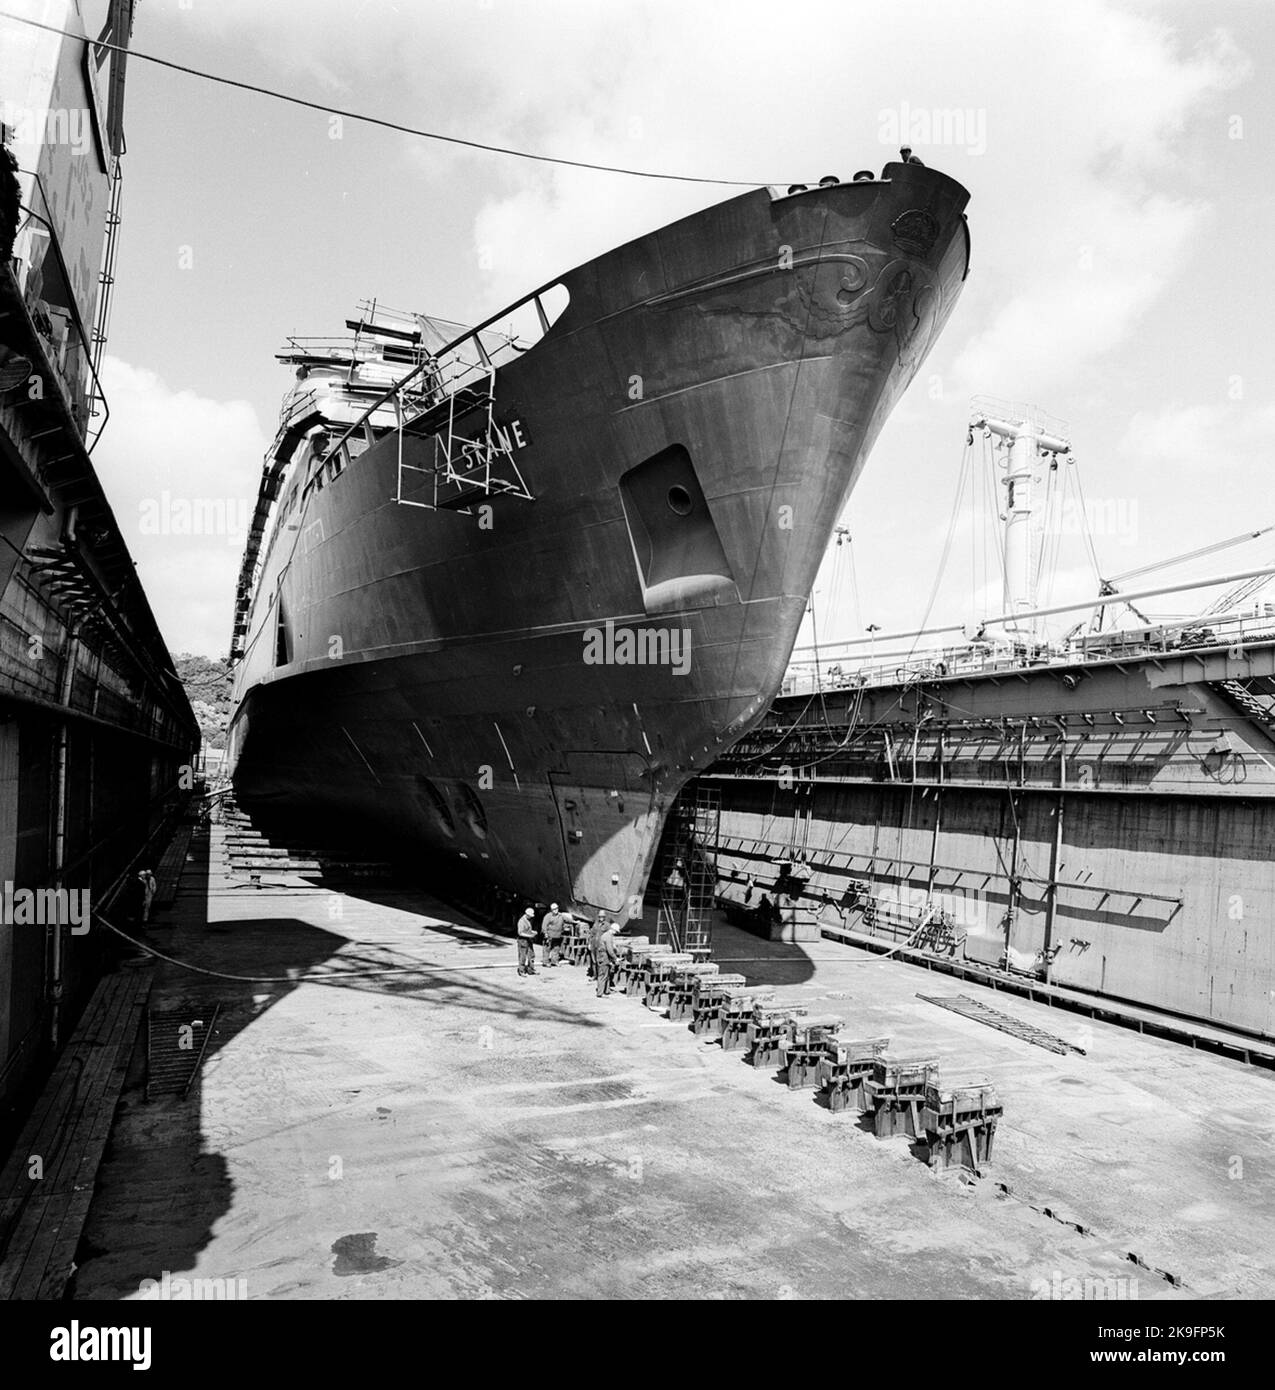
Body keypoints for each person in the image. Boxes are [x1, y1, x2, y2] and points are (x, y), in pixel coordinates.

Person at [593, 918, 621, 996]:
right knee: (602, 975)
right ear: (613, 930)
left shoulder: (606, 935)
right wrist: (616, 959)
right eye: (615, 932)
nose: (615, 933)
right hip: (604, 958)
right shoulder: (608, 936)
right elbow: (610, 950)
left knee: (606, 975)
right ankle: (600, 993)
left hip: (603, 957)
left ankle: (606, 990)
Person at [541, 901, 566, 967]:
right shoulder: (548, 916)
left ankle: (554, 961)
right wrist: (545, 934)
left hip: (557, 936)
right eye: (554, 909)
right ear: (551, 910)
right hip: (549, 936)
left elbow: (563, 923)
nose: (556, 910)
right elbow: (544, 925)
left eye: (557, 908)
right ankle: (545, 962)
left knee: (556, 949)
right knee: (547, 949)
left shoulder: (561, 916)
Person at [516, 905, 537, 976]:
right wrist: (530, 935)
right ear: (527, 914)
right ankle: (521, 971)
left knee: (531, 955)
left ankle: (530, 969)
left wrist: (533, 932)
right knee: (523, 956)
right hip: (523, 941)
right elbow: (520, 932)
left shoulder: (528, 920)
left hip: (528, 940)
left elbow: (528, 930)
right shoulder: (521, 921)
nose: (531, 917)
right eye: (530, 916)